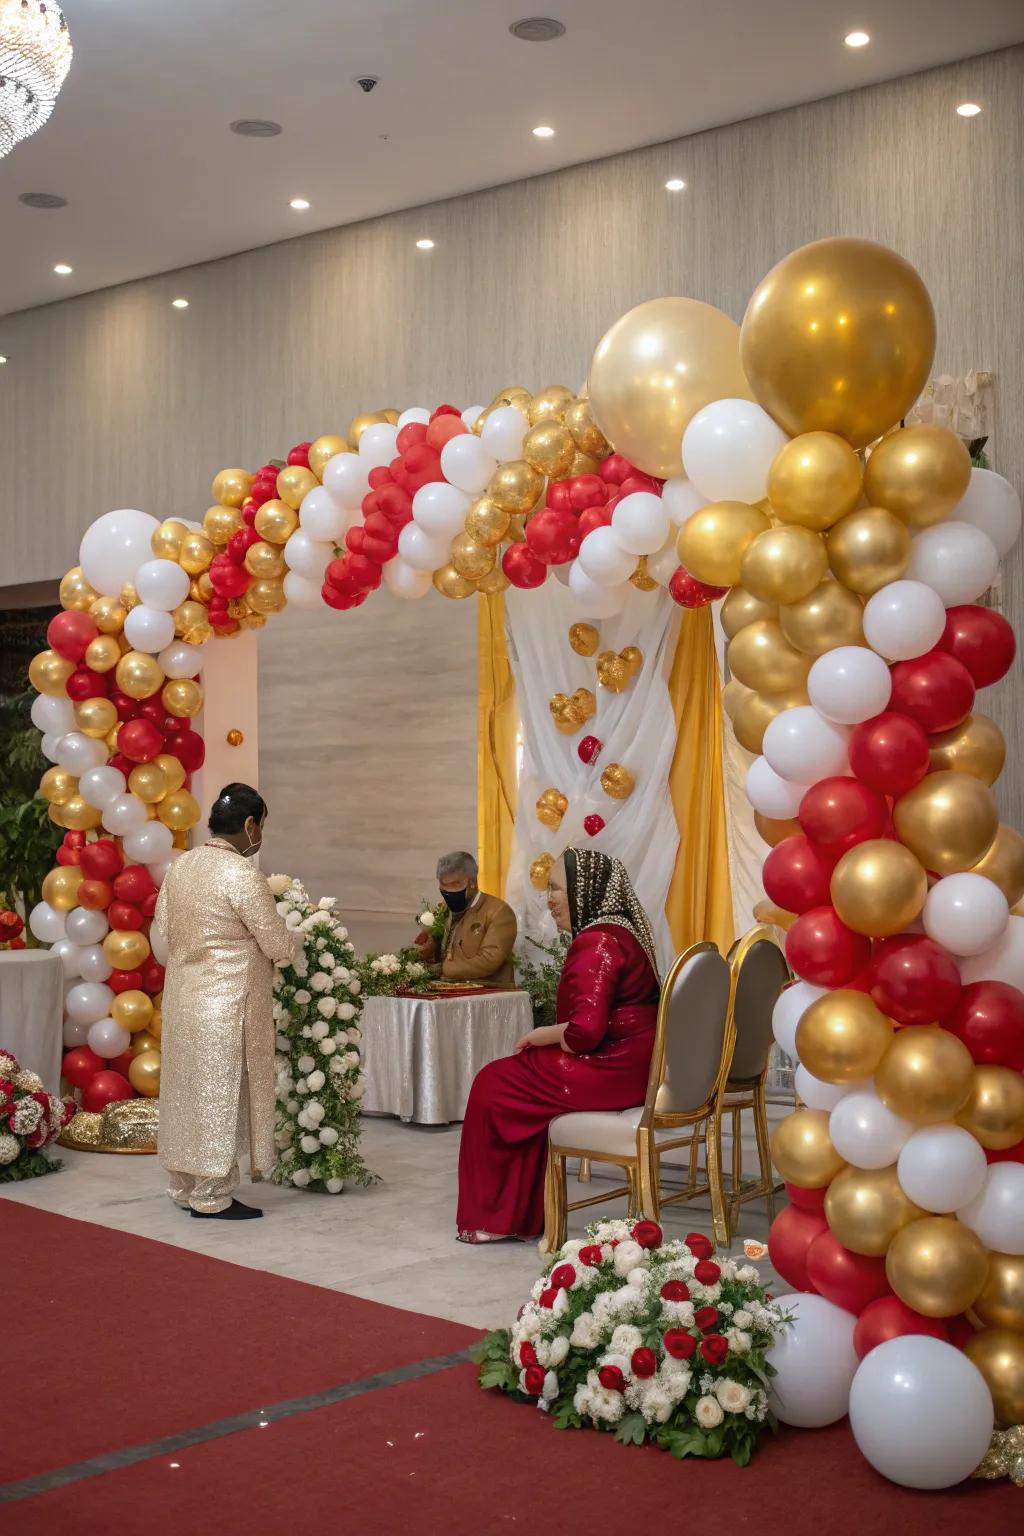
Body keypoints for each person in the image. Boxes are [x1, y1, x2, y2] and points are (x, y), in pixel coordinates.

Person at [456, 847, 660, 1243]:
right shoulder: (622, 929)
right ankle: (519, 1213)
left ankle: (496, 1219)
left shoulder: (596, 940)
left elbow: (584, 1033)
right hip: (637, 1064)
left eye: (558, 888)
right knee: (514, 1084)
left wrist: (542, 1034)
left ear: (585, 890)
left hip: (612, 1067)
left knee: (494, 1084)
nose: (549, 899)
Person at [154, 782, 298, 1221]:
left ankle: (183, 1184)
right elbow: (277, 944)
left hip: (183, 1000)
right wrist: (300, 938)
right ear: (251, 824)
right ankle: (212, 1196)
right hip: (228, 1006)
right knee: (223, 1097)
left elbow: (163, 929)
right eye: (262, 826)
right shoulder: (240, 874)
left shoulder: (182, 866)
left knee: (186, 1094)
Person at [416, 851, 517, 986]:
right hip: (445, 991)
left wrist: (443, 969)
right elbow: (432, 950)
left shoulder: (499, 911)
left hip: (487, 994)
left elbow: (489, 961)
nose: (449, 891)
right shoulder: (443, 909)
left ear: (472, 882)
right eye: (444, 885)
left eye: (455, 884)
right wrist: (425, 953)